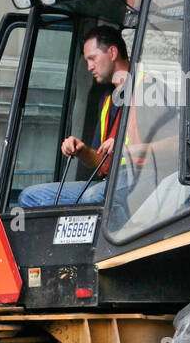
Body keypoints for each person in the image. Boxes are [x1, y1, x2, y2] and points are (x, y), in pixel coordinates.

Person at [20, 26, 130, 208]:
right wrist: (82, 151)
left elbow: (173, 148)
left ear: (112, 52)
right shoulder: (108, 100)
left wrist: (124, 147)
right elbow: (100, 161)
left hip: (138, 180)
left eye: (92, 59)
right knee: (30, 197)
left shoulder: (146, 88)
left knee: (92, 197)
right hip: (109, 181)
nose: (89, 67)